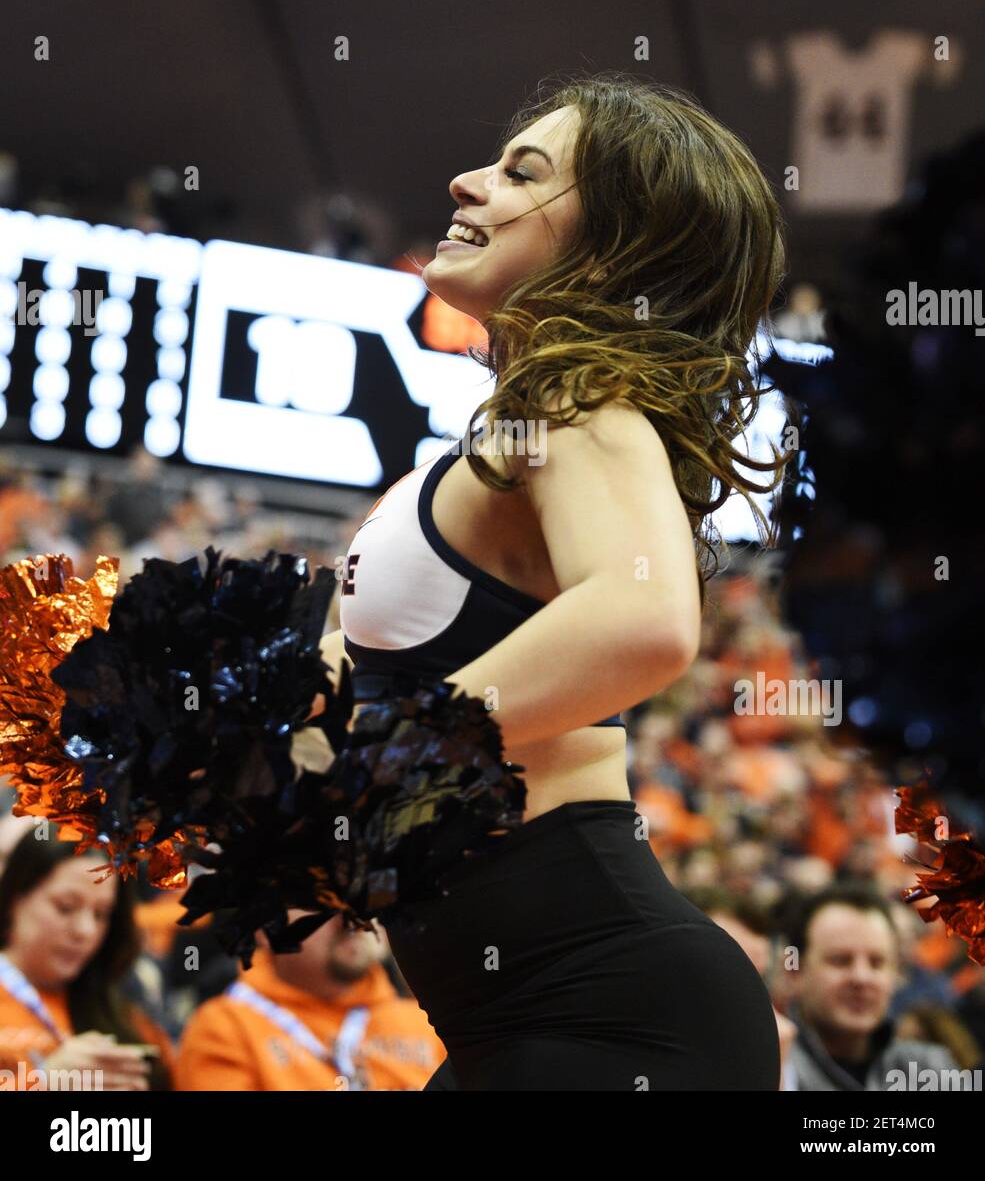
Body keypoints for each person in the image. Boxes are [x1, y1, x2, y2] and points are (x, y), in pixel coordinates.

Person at [323, 74, 789, 1090]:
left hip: (613, 1021)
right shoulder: (495, 439)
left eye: (519, 173)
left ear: (614, 246)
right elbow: (331, 721)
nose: (466, 181)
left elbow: (645, 620)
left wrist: (400, 761)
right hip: (516, 1024)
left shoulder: (584, 404)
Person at [174, 911, 444, 1091]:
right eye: (323, 901)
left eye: (359, 895)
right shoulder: (223, 1028)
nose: (350, 918)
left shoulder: (428, 1023)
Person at [0, 823, 175, 1091]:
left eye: (101, 914)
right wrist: (43, 1081)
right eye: (65, 907)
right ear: (16, 898)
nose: (85, 931)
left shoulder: (122, 1010)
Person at [782, 884, 963, 1090]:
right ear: (794, 970)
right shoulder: (772, 1069)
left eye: (877, 963)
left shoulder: (929, 1070)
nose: (861, 978)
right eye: (840, 960)